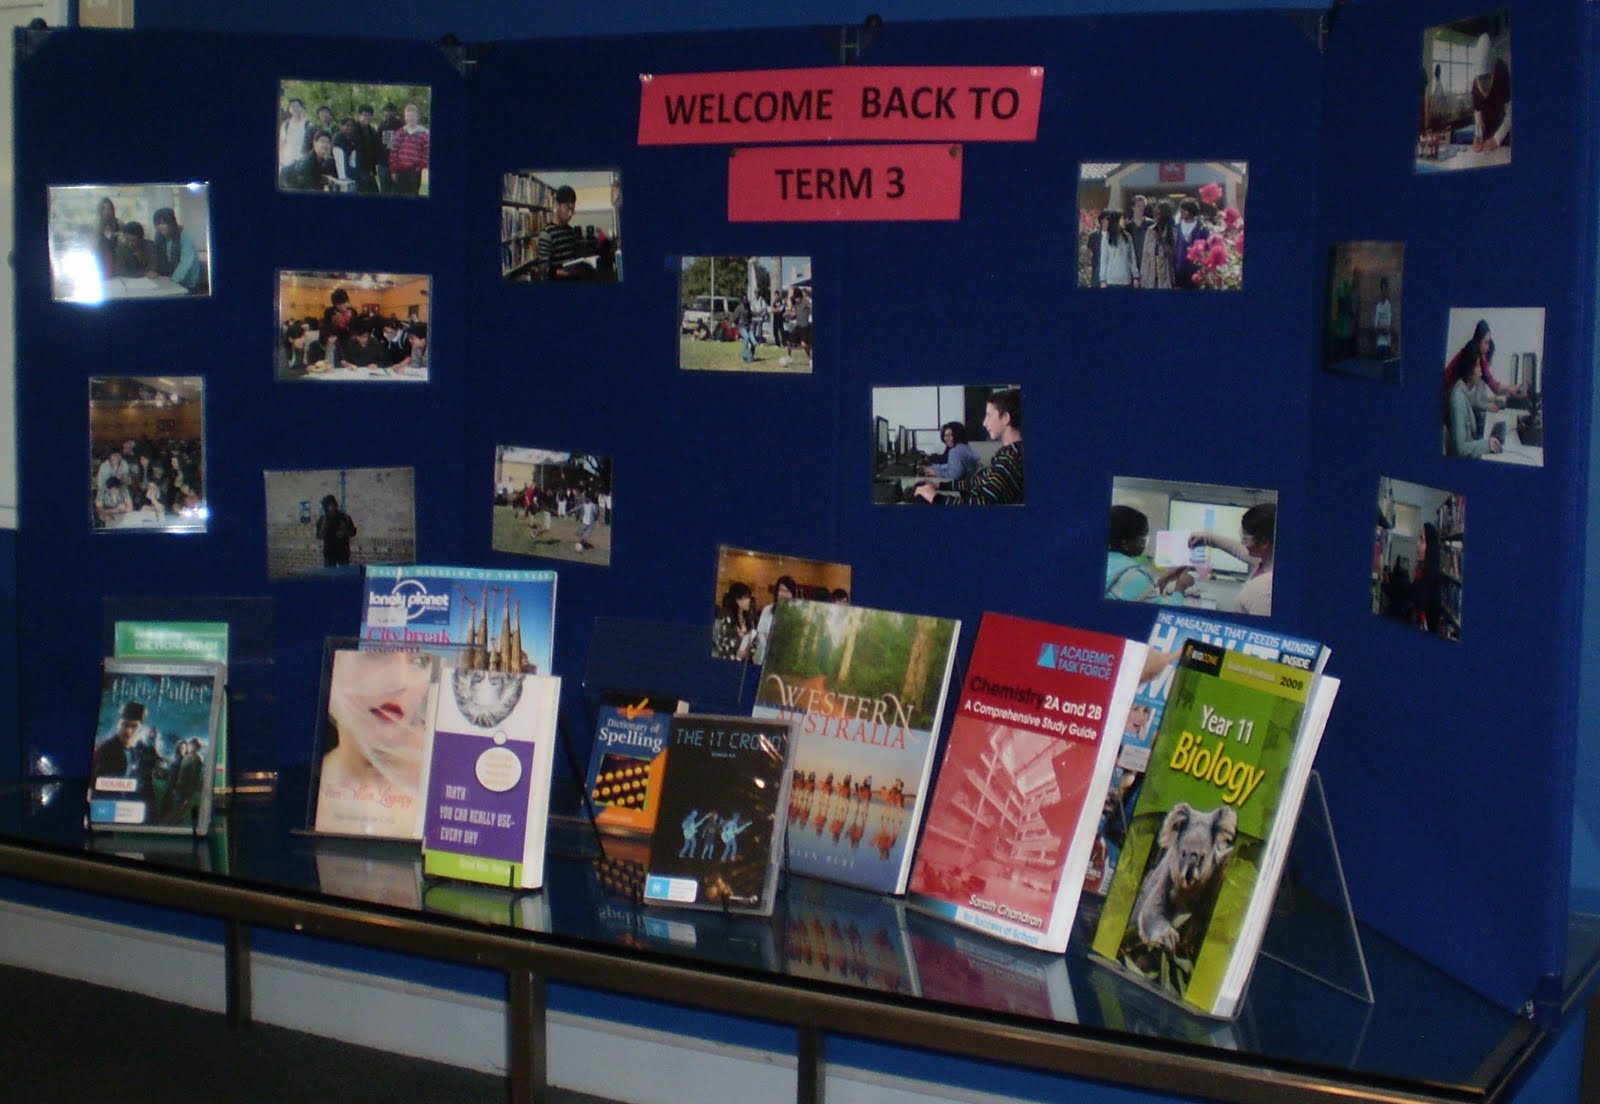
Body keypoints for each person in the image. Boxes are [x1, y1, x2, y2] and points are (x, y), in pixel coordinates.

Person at [315, 650, 435, 837]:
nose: (399, 682)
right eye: (377, 652)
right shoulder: (304, 788)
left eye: (419, 661)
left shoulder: (450, 787)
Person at [913, 388, 1023, 505]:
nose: (984, 423)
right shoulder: (1007, 453)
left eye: (989, 415)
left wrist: (935, 497)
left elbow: (980, 505)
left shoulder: (1010, 459)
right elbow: (977, 482)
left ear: (1006, 418)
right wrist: (939, 485)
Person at [1189, 502, 1276, 615]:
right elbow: (1236, 548)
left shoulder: (1266, 590)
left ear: (1264, 542)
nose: (1242, 543)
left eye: (1246, 539)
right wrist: (1206, 538)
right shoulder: (1263, 559)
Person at [1104, 505, 1194, 603]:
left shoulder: (1104, 562)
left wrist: (1164, 580)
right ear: (1125, 543)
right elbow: (1163, 613)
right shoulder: (1132, 575)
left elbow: (1140, 595)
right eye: (1142, 538)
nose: (1145, 543)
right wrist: (1180, 588)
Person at [1445, 349, 1503, 457]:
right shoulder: (1458, 399)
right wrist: (1488, 445)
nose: (1481, 371)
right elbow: (1461, 448)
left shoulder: (1462, 390)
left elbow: (1473, 401)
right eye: (1477, 366)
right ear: (1468, 370)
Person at [1470, 33, 1511, 153]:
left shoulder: (1502, 72)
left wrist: (1497, 139)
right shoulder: (1475, 85)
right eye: (1481, 79)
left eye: (1487, 78)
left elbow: (1511, 111)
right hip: (1487, 129)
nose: (1484, 85)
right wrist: (1478, 135)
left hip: (1502, 127)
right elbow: (1478, 112)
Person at [537, 184, 588, 280]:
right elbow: (543, 270)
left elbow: (575, 257)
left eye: (572, 210)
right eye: (567, 208)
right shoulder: (546, 234)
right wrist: (561, 272)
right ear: (557, 205)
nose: (570, 214)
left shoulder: (571, 232)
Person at [151, 207, 202, 292]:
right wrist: (154, 271)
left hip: (188, 281)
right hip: (168, 279)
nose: (160, 226)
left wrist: (173, 280)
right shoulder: (159, 236)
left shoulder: (185, 235)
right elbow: (156, 256)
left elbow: (186, 262)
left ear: (171, 222)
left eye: (164, 223)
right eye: (157, 223)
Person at [92, 700, 144, 780]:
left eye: (134, 726)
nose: (128, 730)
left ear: (140, 729)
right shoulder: (105, 749)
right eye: (125, 724)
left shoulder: (135, 751)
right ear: (118, 724)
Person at [753, 575, 798, 664]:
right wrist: (768, 646)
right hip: (765, 657)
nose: (784, 594)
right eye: (781, 590)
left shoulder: (796, 614)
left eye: (787, 591)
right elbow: (760, 632)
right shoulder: (768, 609)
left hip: (784, 660)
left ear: (793, 594)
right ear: (777, 592)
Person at [388, 103, 430, 196]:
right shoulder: (399, 132)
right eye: (408, 116)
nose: (410, 118)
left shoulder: (424, 133)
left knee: (413, 196)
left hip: (415, 172)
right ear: (405, 117)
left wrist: (420, 166)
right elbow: (393, 153)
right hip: (400, 171)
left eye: (412, 116)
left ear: (417, 117)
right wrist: (393, 171)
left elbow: (427, 153)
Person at [713, 582, 757, 661]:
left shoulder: (749, 616)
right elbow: (722, 640)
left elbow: (754, 639)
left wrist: (747, 652)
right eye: (746, 597)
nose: (749, 600)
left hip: (745, 662)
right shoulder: (725, 615)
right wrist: (736, 650)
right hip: (729, 661)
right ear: (737, 600)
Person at [1173, 198, 1210, 290]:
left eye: (1184, 209)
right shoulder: (1176, 227)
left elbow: (1208, 247)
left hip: (1196, 269)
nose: (1181, 212)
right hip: (1180, 268)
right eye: (1181, 209)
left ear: (1191, 211)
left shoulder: (1202, 227)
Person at [1096, 210, 1139, 288]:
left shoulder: (1128, 237)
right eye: (1122, 219)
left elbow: (1132, 257)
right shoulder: (1107, 237)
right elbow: (1104, 259)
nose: (1125, 221)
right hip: (1111, 279)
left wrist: (1135, 276)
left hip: (1126, 278)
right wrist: (1103, 279)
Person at [1139, 200, 1176, 290]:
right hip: (1150, 276)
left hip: (1166, 276)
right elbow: (1145, 255)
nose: (1156, 216)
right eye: (1155, 213)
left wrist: (1161, 240)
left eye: (1159, 214)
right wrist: (1142, 276)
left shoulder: (1173, 231)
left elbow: (1172, 255)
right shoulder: (1150, 230)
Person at [316, 494, 357, 567]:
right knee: (330, 573)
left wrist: (344, 532)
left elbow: (353, 532)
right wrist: (324, 526)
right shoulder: (322, 520)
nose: (332, 507)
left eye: (333, 504)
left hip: (343, 551)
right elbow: (319, 535)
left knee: (343, 572)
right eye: (329, 505)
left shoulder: (344, 518)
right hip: (329, 552)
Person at [277, 97, 312, 172]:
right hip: (287, 161)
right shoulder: (285, 125)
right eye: (292, 106)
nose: (294, 108)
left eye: (297, 106)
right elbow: (282, 143)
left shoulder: (308, 124)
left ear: (302, 108)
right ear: (289, 109)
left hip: (302, 162)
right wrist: (280, 160)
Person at [95, 197, 120, 279]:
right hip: (100, 259)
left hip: (116, 259)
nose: (106, 212)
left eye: (109, 209)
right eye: (104, 209)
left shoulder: (119, 224)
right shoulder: (95, 225)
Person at [1373, 276, 1395, 360]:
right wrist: (1380, 328)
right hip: (1379, 342)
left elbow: (1388, 327)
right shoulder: (1378, 306)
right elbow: (1375, 325)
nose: (1384, 291)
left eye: (1385, 289)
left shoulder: (1389, 305)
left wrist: (1383, 329)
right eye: (1382, 289)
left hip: (1387, 342)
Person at [735, 296, 756, 362]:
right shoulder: (739, 308)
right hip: (741, 327)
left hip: (748, 327)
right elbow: (735, 316)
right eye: (744, 300)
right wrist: (732, 323)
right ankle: (745, 355)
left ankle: (751, 356)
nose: (745, 301)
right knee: (746, 338)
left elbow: (751, 316)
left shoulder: (748, 307)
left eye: (746, 300)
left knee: (754, 343)